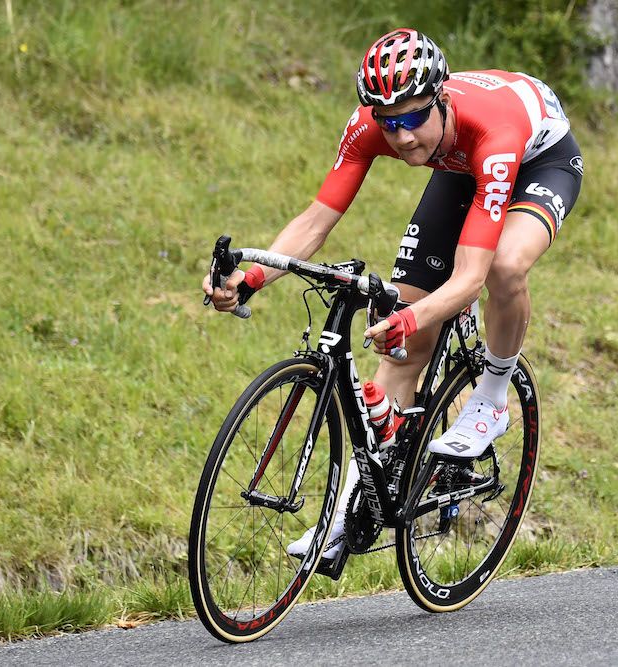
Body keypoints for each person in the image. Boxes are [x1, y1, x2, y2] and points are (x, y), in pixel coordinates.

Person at [203, 28, 583, 558]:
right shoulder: (370, 126)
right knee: (403, 350)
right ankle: (348, 515)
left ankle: (493, 395)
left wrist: (411, 316)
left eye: (413, 117)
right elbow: (316, 220)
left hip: (534, 158)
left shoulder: (490, 130)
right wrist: (251, 279)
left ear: (441, 98)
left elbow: (470, 277)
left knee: (503, 266)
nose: (402, 136)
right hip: (457, 165)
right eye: (390, 122)